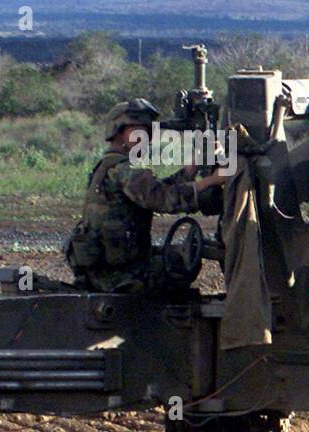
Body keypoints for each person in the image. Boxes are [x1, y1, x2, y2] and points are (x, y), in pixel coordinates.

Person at [65, 99, 225, 294]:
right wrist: (211, 181)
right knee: (182, 261)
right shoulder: (125, 170)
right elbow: (162, 199)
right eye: (137, 131)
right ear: (118, 132)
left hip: (108, 270)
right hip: (120, 277)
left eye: (147, 132)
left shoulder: (110, 165)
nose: (145, 138)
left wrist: (192, 169)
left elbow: (157, 189)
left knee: (178, 252)